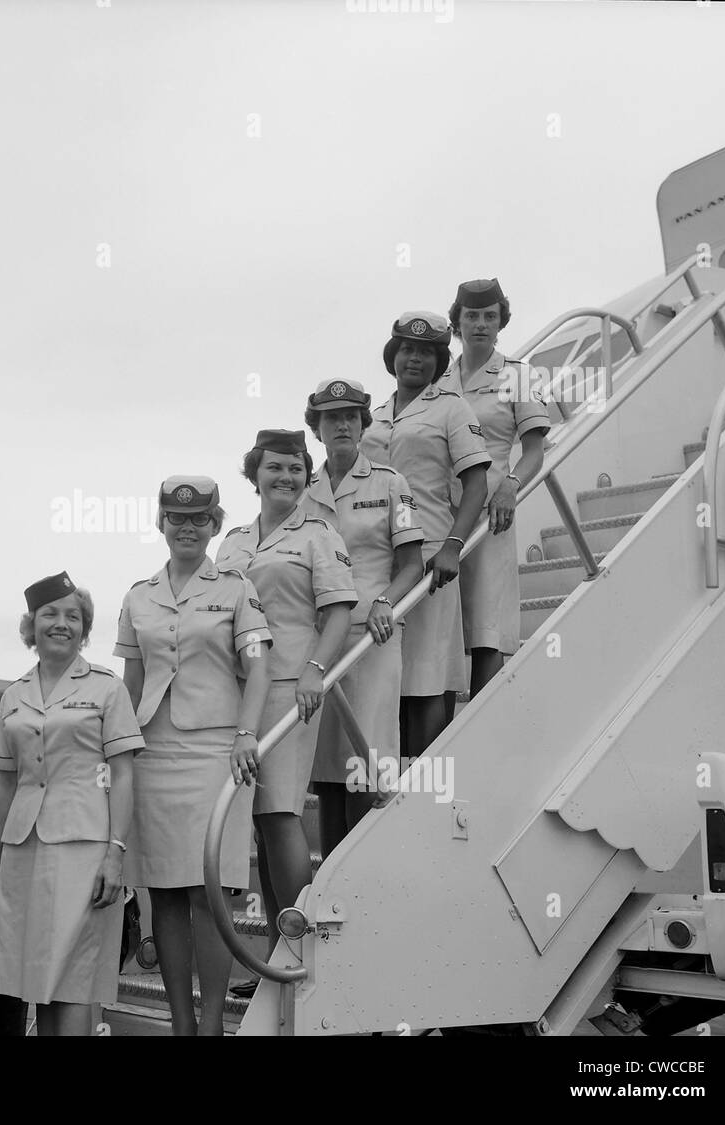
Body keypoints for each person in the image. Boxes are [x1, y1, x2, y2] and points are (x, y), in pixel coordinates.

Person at [115, 476, 273, 1035]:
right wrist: (116, 753)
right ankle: (182, 1024)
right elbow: (131, 683)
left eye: (199, 520)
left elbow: (260, 669)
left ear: (213, 524)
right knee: (164, 894)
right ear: (161, 523)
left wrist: (247, 734)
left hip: (217, 752)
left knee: (211, 891)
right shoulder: (138, 596)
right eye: (176, 519)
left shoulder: (237, 589)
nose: (187, 528)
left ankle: (210, 1025)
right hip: (153, 752)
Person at [0, 573, 144, 1037]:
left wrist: (116, 851)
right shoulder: (14, 694)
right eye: (50, 615)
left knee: (72, 978)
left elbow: (124, 771)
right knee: (36, 979)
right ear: (31, 626)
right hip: (23, 849)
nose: (62, 624)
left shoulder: (106, 688)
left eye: (73, 616)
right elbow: (6, 783)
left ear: (85, 628)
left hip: (84, 846)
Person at [215, 430, 357, 951]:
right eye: (275, 467)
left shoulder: (319, 533)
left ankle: (303, 946)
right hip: (233, 690)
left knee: (279, 812)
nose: (286, 477)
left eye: (297, 468)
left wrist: (316, 669)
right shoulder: (233, 540)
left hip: (288, 687)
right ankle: (280, 947)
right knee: (256, 822)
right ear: (254, 474)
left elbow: (339, 609)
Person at [298, 380, 426, 856]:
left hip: (372, 636)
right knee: (327, 763)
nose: (343, 425)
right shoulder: (303, 493)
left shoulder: (391, 483)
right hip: (317, 641)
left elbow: (412, 563)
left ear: (364, 422)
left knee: (367, 758)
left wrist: (386, 602)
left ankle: (366, 865)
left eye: (352, 416)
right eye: (332, 418)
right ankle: (330, 870)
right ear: (317, 428)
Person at [360, 313, 491, 761]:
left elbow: (475, 482)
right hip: (380, 558)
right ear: (392, 355)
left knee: (426, 673)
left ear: (438, 361)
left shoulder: (452, 407)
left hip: (432, 552)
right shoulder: (373, 417)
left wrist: (455, 544)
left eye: (425, 353)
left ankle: (426, 780)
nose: (413, 358)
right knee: (385, 671)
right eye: (406, 349)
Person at [442, 278, 550, 697]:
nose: (481, 325)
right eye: (472, 316)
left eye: (490, 316)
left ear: (501, 321)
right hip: (440, 513)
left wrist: (511, 484)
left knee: (486, 626)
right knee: (443, 627)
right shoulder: (440, 381)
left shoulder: (516, 376)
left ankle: (481, 722)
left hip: (490, 513)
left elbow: (535, 450)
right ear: (458, 322)